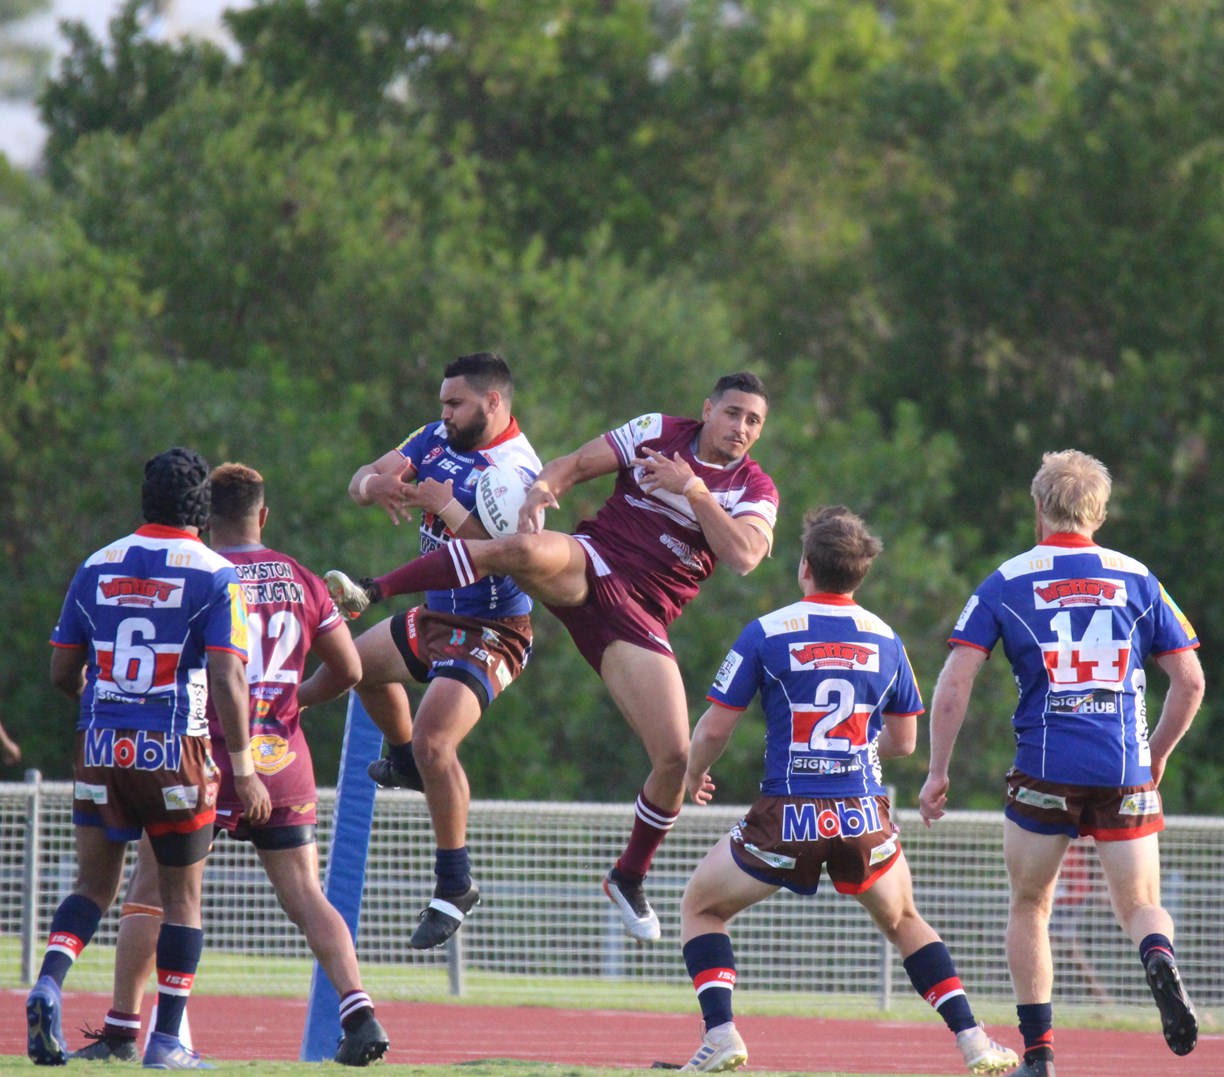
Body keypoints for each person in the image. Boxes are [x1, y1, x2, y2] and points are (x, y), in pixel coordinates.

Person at [327, 371, 779, 943]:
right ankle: (372, 590)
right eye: (733, 413)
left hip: (640, 615)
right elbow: (573, 464)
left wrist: (693, 490)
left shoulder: (755, 488)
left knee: (674, 757)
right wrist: (543, 489)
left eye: (753, 421)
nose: (740, 428)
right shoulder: (658, 430)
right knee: (514, 549)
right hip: (589, 562)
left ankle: (628, 876)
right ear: (708, 409)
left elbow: (743, 555)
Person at [674, 506, 1018, 1074]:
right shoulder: (887, 639)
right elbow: (905, 742)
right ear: (860, 575)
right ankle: (973, 1040)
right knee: (905, 921)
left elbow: (714, 728)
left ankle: (721, 1034)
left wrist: (692, 773)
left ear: (805, 566)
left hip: (788, 813)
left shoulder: (768, 631)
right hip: (862, 815)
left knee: (701, 907)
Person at [71, 462, 390, 1066]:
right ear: (263, 515)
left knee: (151, 891)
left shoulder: (205, 574)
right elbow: (349, 669)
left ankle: (120, 1028)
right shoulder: (298, 576)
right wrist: (295, 700)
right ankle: (360, 1011)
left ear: (205, 519)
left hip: (204, 754)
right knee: (305, 893)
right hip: (282, 755)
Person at [919, 450, 1204, 1077]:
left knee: (1030, 906)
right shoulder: (1139, 578)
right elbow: (1190, 682)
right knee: (1138, 904)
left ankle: (1040, 1055)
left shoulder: (1007, 580)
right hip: (1124, 766)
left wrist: (938, 772)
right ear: (1099, 512)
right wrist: (1154, 757)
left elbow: (954, 685)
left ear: (1039, 508)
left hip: (1045, 768)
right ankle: (1157, 953)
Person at [27, 447, 272, 1068]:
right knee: (180, 896)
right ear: (201, 508)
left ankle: (49, 982)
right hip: (175, 750)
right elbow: (226, 677)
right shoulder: (216, 573)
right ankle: (165, 1042)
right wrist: (242, 766)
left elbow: (62, 669)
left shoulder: (96, 563)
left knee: (92, 886)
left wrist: (97, 698)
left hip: (99, 743)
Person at [317, 353, 540, 950]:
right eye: (442, 402)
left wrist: (444, 505)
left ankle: (454, 885)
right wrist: (375, 484)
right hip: (437, 613)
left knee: (437, 740)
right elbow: (363, 476)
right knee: (355, 668)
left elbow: (504, 553)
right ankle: (404, 761)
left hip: (493, 625)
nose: (443, 413)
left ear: (493, 403)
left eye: (455, 403)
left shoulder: (516, 470)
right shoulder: (435, 436)